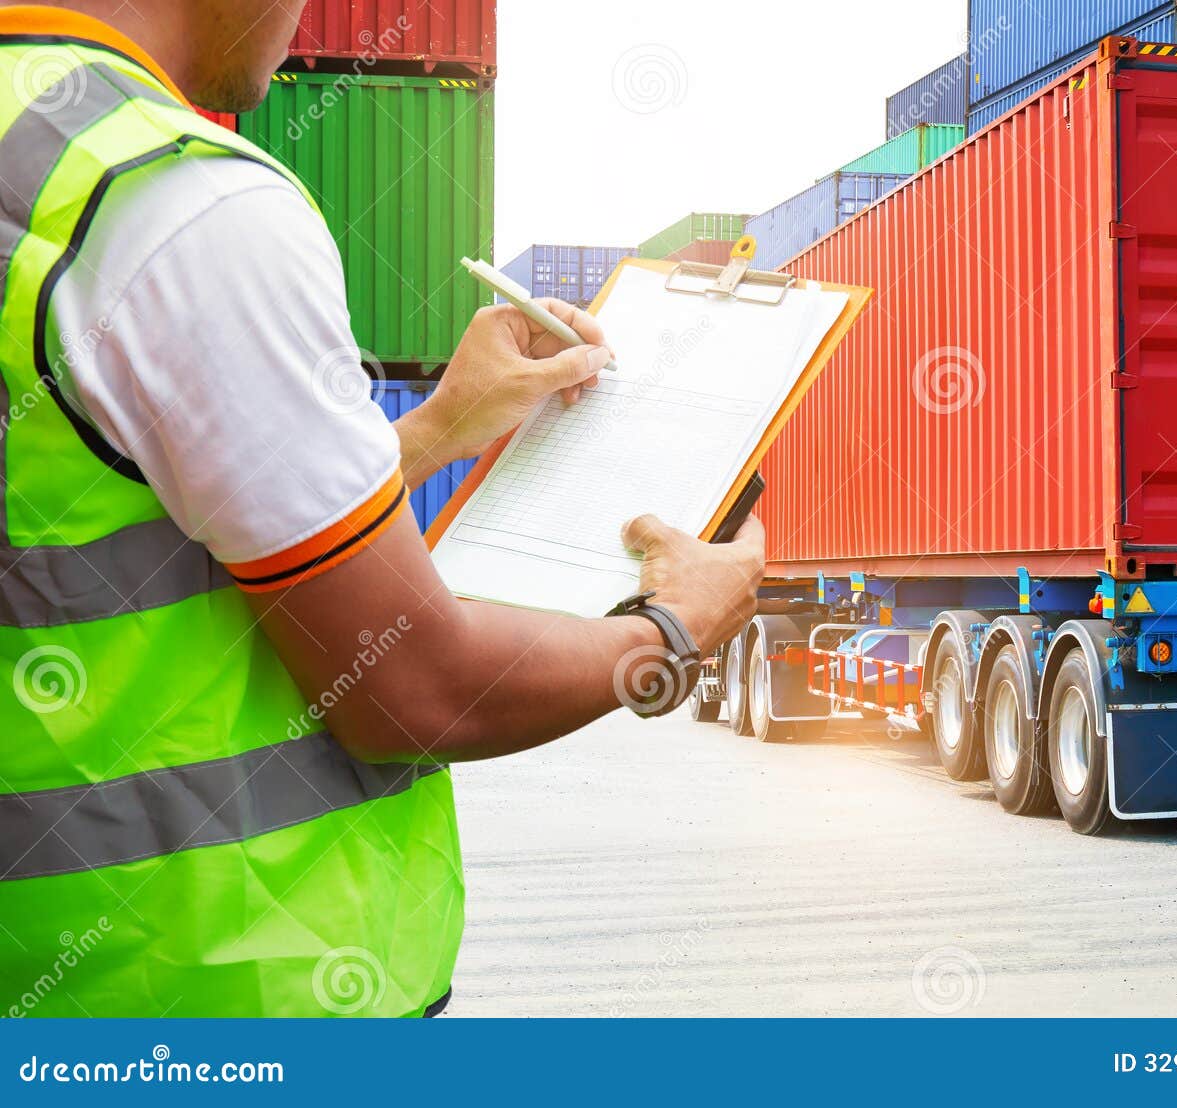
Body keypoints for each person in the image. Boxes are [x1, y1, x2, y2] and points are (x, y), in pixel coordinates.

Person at [0, 0, 764, 1017]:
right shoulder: (170, 200)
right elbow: (413, 688)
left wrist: (443, 424)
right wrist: (675, 626)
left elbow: (105, 534)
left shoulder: (37, 158)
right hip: (213, 995)